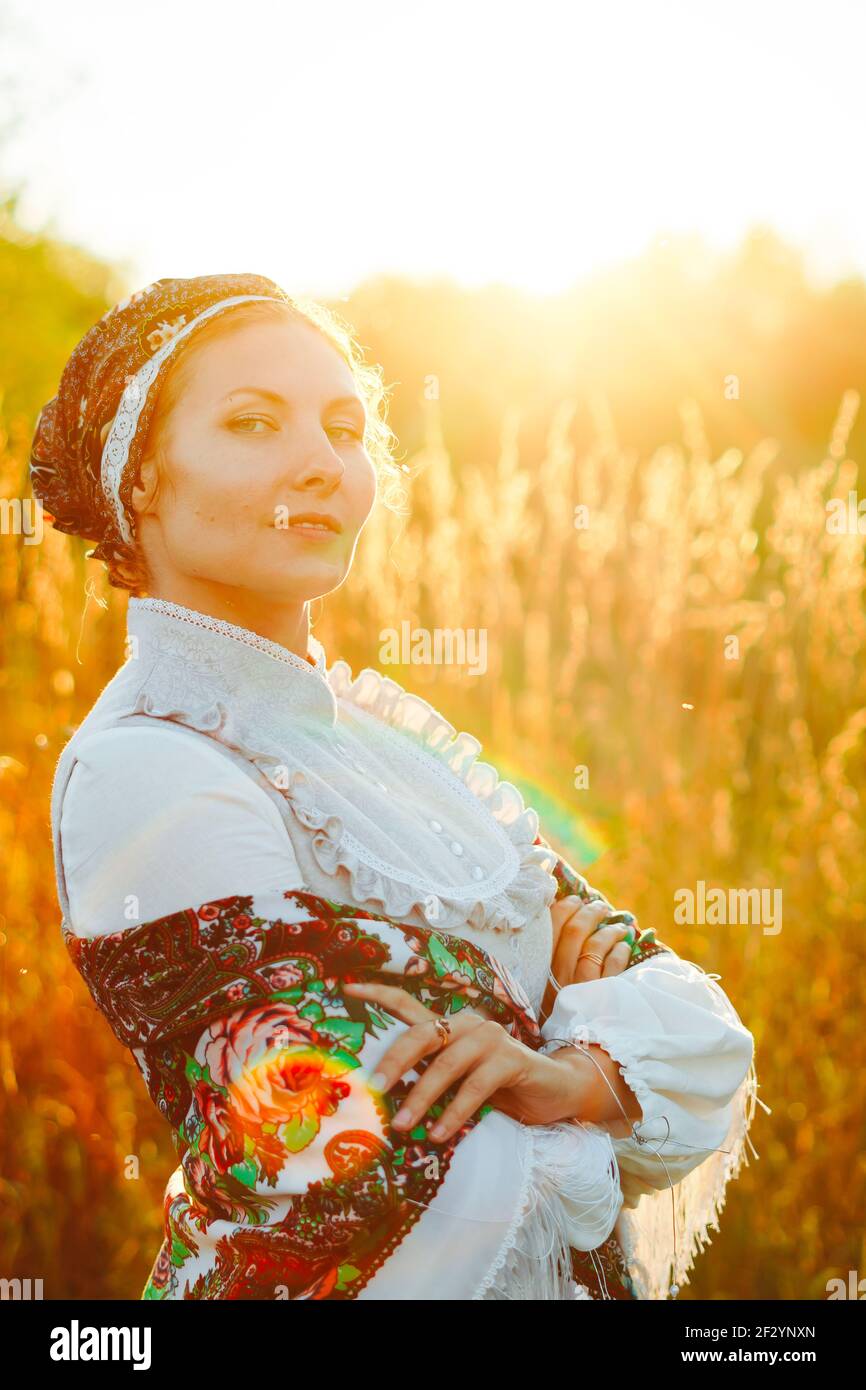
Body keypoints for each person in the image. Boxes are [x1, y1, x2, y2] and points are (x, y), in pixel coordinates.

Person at [30, 274, 757, 1300]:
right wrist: (592, 1092)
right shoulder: (147, 761)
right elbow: (326, 1155)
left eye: (344, 427)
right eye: (252, 422)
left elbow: (693, 1025)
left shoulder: (398, 750)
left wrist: (575, 1076)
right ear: (137, 475)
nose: (322, 465)